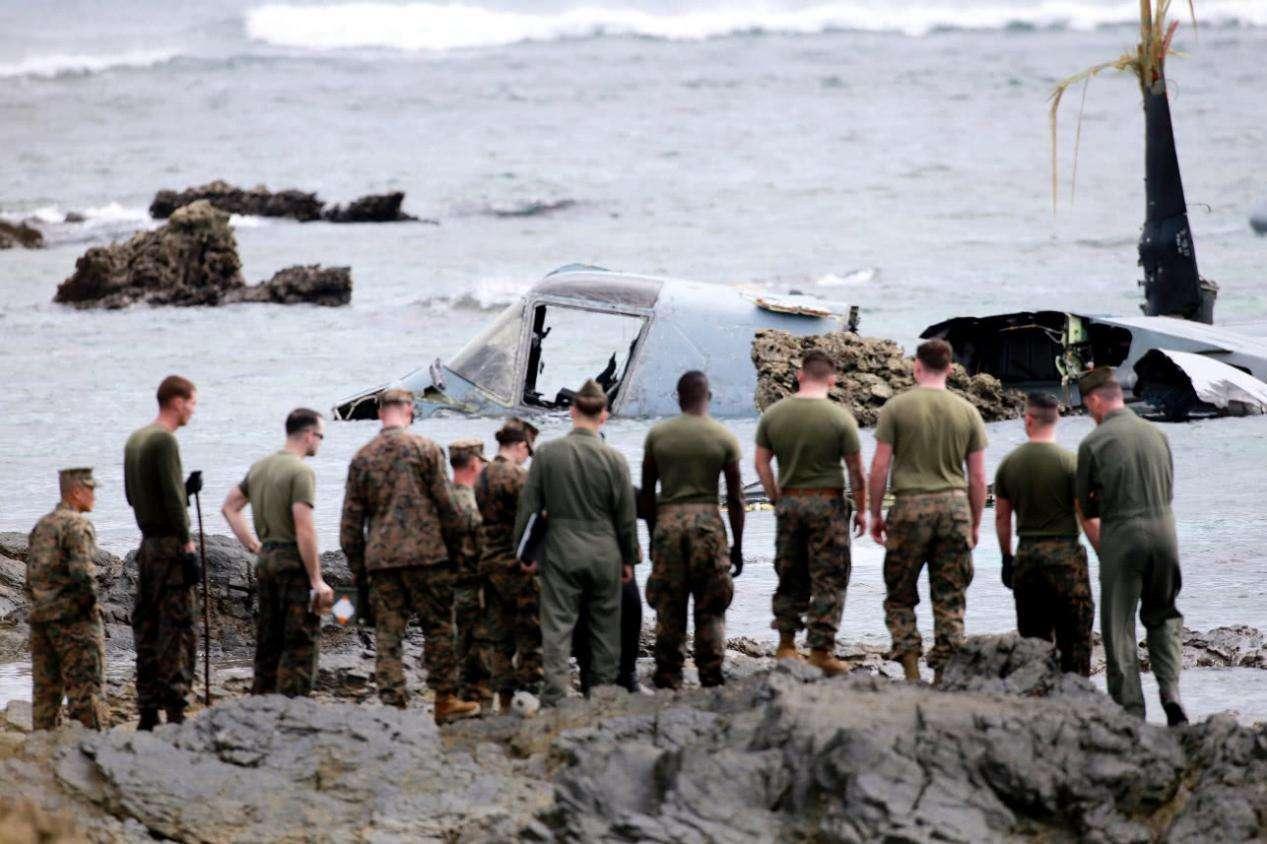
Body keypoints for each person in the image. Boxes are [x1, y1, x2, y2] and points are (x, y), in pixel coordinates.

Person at [339, 389, 480, 724]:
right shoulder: (426, 449)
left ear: (379, 413)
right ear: (410, 410)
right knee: (439, 628)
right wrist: (458, 555)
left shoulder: (362, 457)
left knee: (388, 636)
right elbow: (447, 507)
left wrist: (360, 571)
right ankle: (445, 700)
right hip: (428, 557)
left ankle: (393, 704)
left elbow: (350, 525)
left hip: (382, 562)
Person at [513, 379, 638, 705]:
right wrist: (628, 559)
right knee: (605, 629)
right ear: (603, 416)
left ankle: (555, 697)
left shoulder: (547, 454)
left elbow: (529, 510)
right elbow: (626, 518)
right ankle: (601, 696)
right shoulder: (615, 460)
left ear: (572, 411)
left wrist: (524, 554)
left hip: (561, 550)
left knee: (557, 627)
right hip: (605, 552)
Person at [869, 340, 987, 683]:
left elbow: (879, 467)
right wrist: (974, 522)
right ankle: (944, 672)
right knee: (950, 596)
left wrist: (875, 513)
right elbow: (978, 477)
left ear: (916, 366)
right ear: (950, 369)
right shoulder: (967, 411)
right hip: (954, 508)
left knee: (900, 593)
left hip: (909, 507)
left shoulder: (896, 408)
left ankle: (910, 668)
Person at [1076, 366, 1187, 725]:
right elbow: (1167, 488)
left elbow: (1086, 507)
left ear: (1096, 401)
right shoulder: (1157, 434)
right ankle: (1171, 693)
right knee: (1164, 614)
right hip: (1165, 533)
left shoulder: (1094, 443)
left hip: (1123, 536)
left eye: (1087, 406)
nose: (1089, 414)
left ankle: (1131, 712)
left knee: (1119, 626)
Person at [754, 350, 865, 677]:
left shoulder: (774, 415)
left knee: (790, 572)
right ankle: (820, 651)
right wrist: (863, 510)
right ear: (832, 380)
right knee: (830, 576)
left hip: (790, 502)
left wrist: (777, 498)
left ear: (800, 375)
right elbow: (856, 471)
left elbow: (761, 463)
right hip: (828, 504)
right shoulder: (840, 418)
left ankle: (786, 645)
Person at [641, 371, 744, 689]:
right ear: (708, 397)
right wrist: (738, 546)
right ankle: (710, 674)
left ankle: (668, 675)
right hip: (708, 527)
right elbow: (736, 498)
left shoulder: (658, 436)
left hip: (668, 525)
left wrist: (653, 537)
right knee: (711, 605)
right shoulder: (724, 437)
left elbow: (647, 495)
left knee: (669, 605)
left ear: (678, 397)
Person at [221, 408, 335, 697]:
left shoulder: (261, 467)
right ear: (308, 435)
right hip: (292, 562)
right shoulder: (301, 471)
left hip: (266, 559)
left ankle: (262, 702)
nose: (320, 442)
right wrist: (316, 579)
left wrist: (254, 545)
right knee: (300, 640)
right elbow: (304, 528)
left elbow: (230, 507)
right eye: (320, 436)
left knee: (268, 637)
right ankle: (294, 707)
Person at [994, 393, 1092, 676]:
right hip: (1067, 558)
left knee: (1033, 642)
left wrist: (1006, 558)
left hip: (1028, 558)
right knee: (1075, 639)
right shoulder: (1071, 463)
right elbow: (1086, 516)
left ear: (1028, 419)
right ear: (1057, 418)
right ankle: (1076, 695)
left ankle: (1037, 693)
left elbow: (1002, 518)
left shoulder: (1009, 464)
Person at [123, 374, 199, 730]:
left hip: (147, 546)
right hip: (170, 546)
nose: (193, 411)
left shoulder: (136, 440)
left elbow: (133, 496)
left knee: (148, 626)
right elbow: (170, 499)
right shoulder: (165, 441)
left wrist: (185, 490)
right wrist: (187, 544)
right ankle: (176, 709)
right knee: (177, 627)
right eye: (192, 403)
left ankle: (148, 708)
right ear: (177, 401)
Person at [26, 468, 108, 730]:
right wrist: (91, 610)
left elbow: (31, 575)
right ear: (76, 492)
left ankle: (41, 747)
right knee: (86, 693)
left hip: (42, 619)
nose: (94, 495)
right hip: (73, 621)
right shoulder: (77, 525)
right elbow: (82, 574)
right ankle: (93, 748)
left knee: (45, 697)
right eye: (90, 489)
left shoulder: (43, 524)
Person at [475, 418, 541, 712]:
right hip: (516, 566)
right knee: (530, 633)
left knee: (498, 637)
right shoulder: (519, 477)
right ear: (521, 446)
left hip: (488, 565)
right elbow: (533, 520)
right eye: (528, 451)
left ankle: (502, 699)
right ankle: (529, 695)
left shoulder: (482, 475)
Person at [447, 437, 492, 709]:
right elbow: (483, 550)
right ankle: (475, 703)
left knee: (454, 647)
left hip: (445, 585)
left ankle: (452, 697)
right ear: (475, 463)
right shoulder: (470, 504)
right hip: (471, 586)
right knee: (478, 650)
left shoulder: (440, 498)